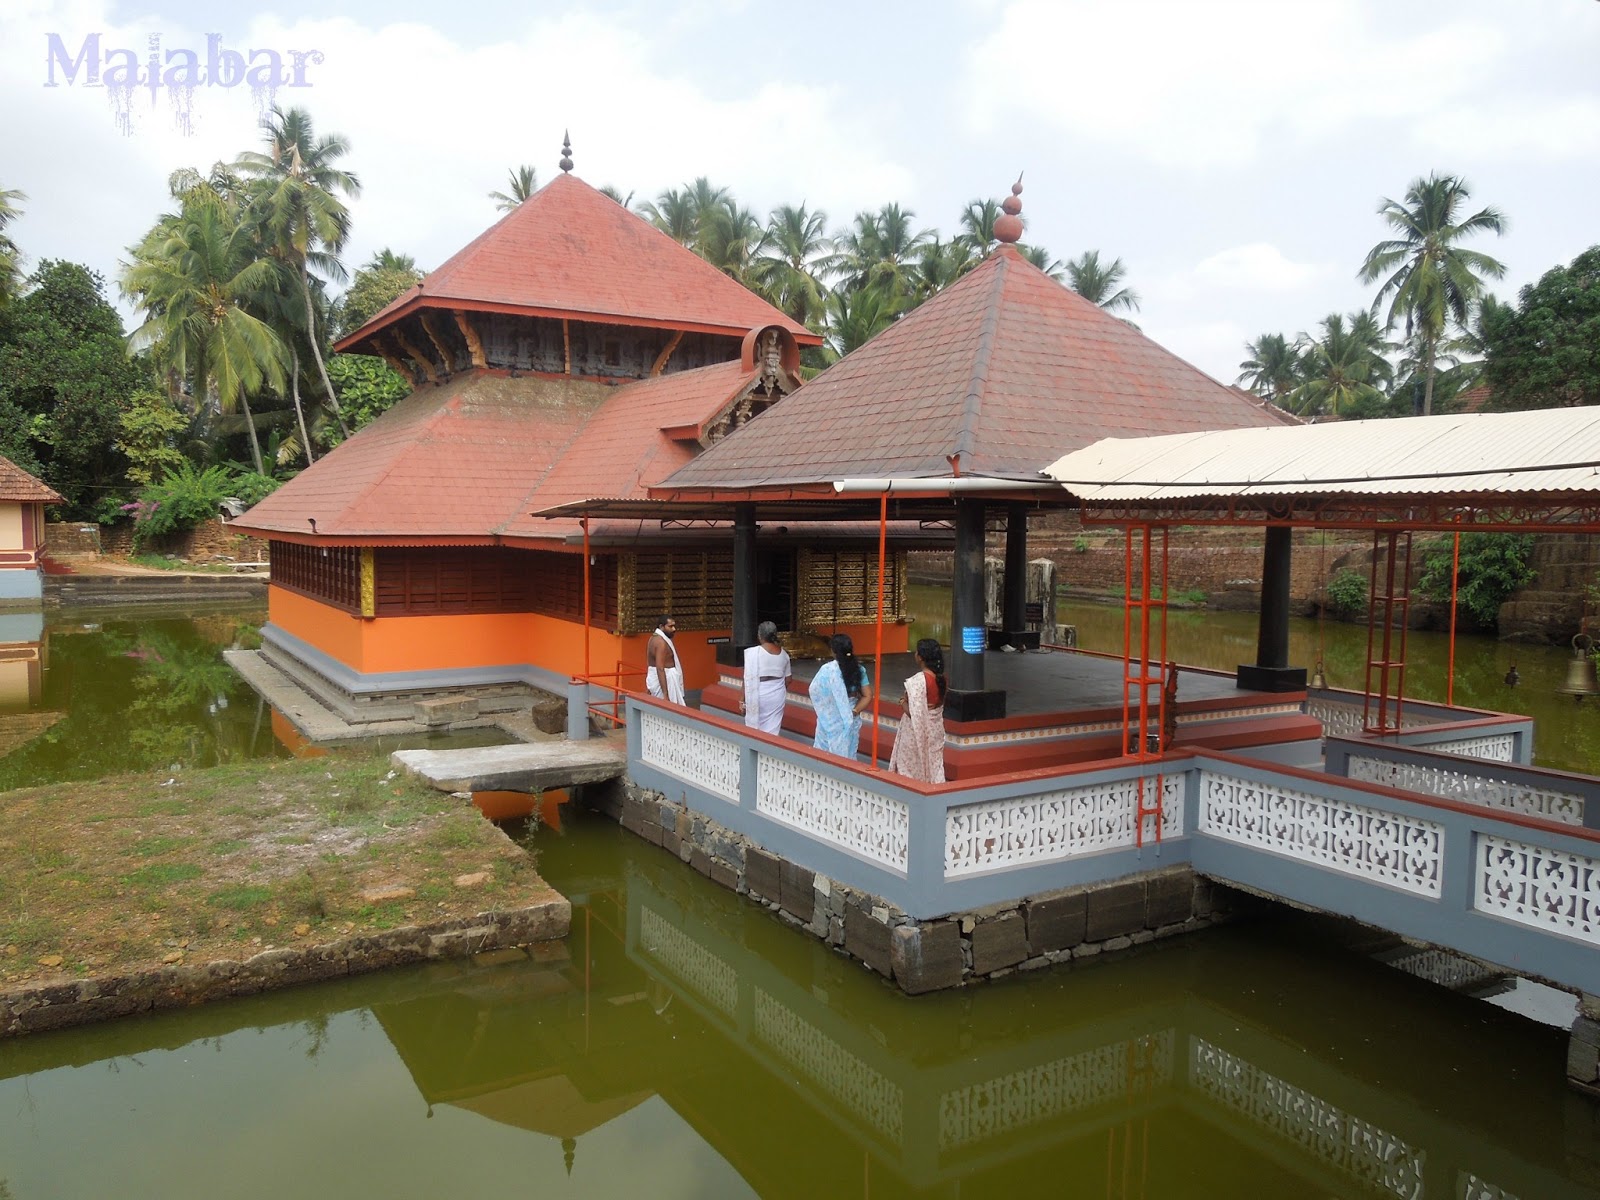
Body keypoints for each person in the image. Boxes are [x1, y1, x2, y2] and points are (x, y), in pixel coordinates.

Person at [889, 638, 947, 783]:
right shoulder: (942, 679)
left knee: (909, 768)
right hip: (934, 731)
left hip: (915, 733)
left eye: (916, 651)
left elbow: (915, 714)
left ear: (920, 657)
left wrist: (902, 703)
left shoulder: (918, 681)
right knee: (934, 764)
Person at [808, 633, 872, 759]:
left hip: (829, 717)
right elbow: (867, 695)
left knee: (823, 756)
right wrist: (853, 712)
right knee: (847, 754)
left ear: (833, 651)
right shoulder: (859, 669)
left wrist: (830, 707)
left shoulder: (827, 670)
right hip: (850, 716)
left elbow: (814, 690)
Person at [741, 621, 791, 735]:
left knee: (754, 730)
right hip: (777, 695)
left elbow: (747, 678)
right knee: (773, 729)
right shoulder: (784, 654)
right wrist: (777, 688)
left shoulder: (753, 653)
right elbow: (789, 680)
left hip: (758, 692)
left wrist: (741, 700)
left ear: (759, 636)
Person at [646, 615, 684, 704]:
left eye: (674, 626)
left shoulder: (653, 638)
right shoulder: (660, 642)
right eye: (670, 626)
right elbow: (660, 668)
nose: (674, 629)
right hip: (666, 681)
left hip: (666, 679)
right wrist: (665, 695)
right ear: (661, 627)